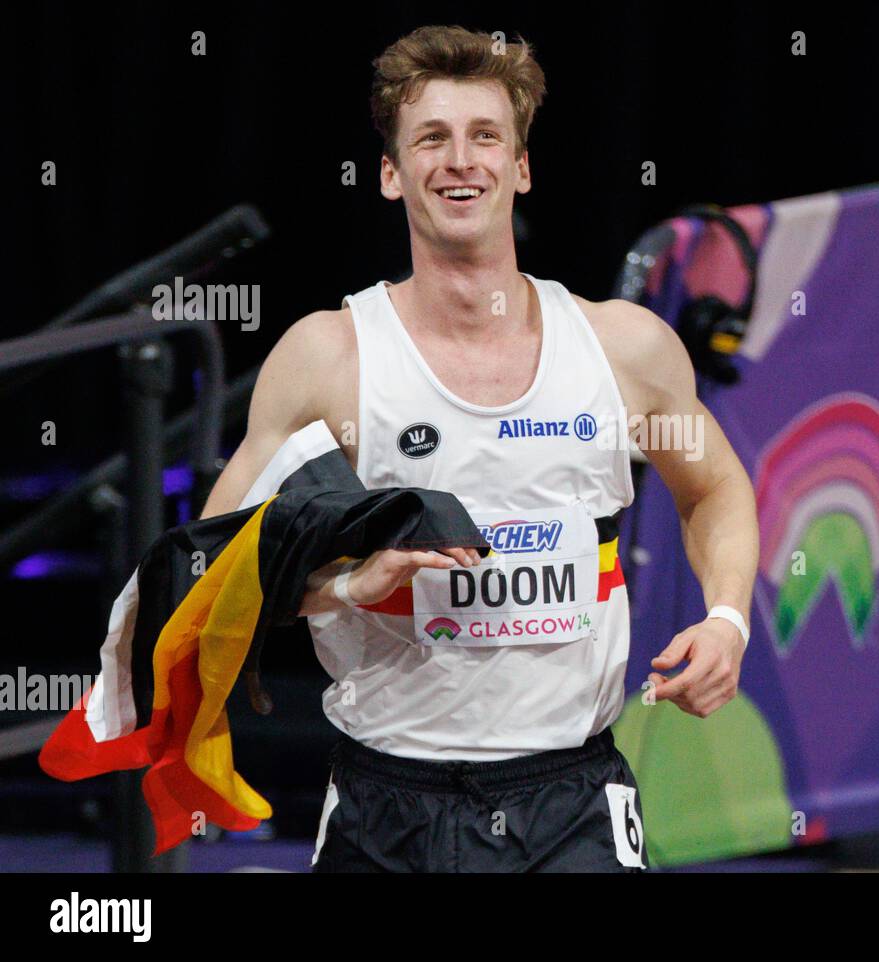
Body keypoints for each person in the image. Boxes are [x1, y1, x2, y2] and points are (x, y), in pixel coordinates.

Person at [199, 23, 760, 872]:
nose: (460, 160)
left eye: (485, 136)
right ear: (390, 174)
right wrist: (345, 584)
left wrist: (727, 621)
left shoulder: (624, 351)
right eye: (431, 138)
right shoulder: (329, 359)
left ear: (521, 167)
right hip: (388, 809)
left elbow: (715, 489)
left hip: (573, 803)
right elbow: (211, 579)